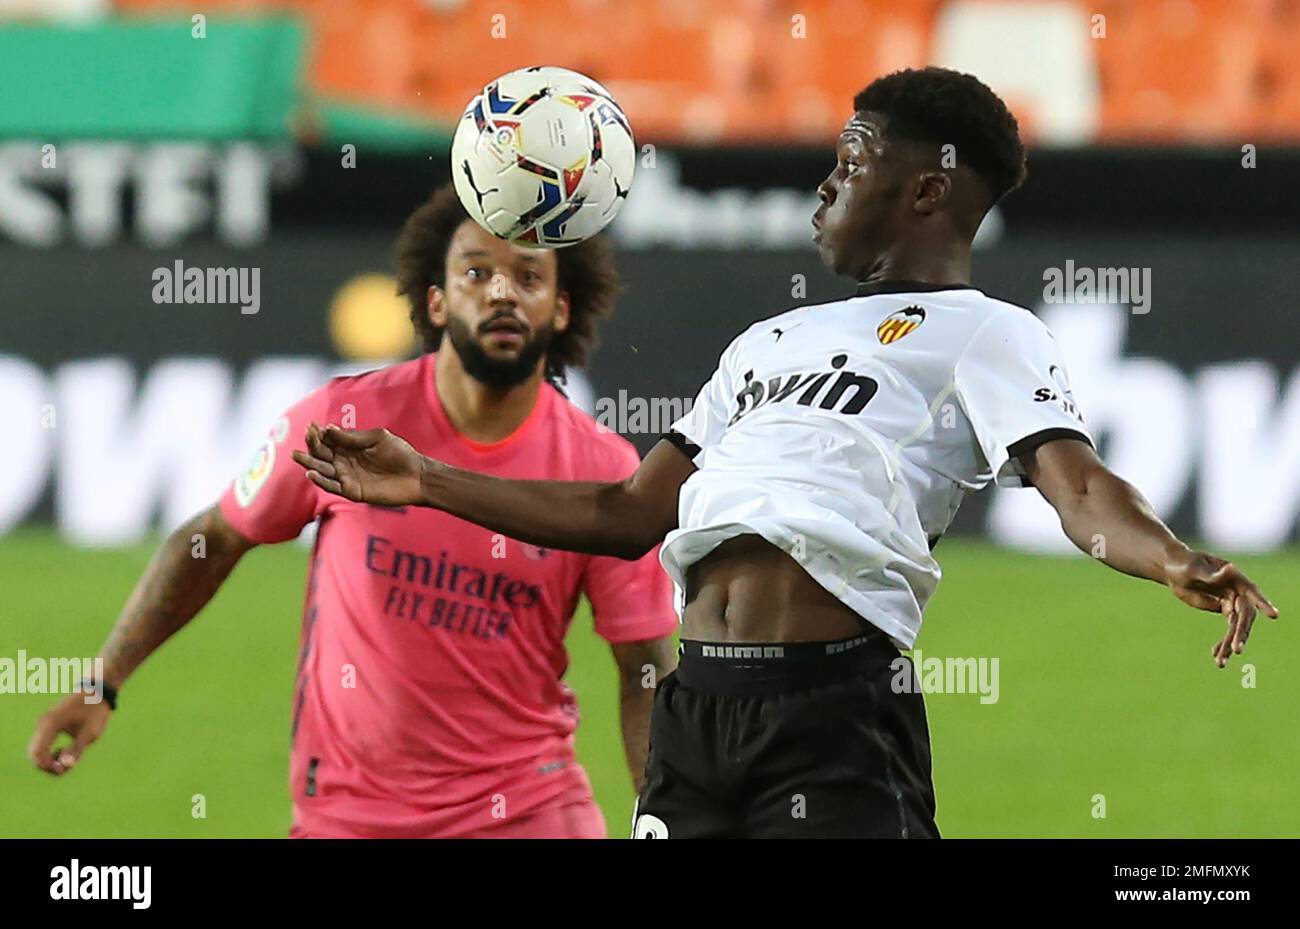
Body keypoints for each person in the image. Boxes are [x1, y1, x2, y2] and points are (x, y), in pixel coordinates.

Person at [290, 68, 1278, 839]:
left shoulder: (985, 332)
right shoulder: (766, 342)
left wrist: (1169, 555)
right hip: (696, 709)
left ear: (926, 190)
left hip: (832, 706)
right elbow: (628, 513)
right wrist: (424, 479)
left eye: (849, 167)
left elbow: (1079, 485)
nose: (824, 182)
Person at [29, 184, 678, 839]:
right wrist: (104, 679)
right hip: (347, 818)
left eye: (529, 276)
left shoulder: (604, 473)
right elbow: (212, 538)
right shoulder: (343, 424)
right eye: (476, 272)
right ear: (436, 298)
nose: (501, 292)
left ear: (561, 308)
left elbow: (647, 672)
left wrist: (666, 825)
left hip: (530, 814)